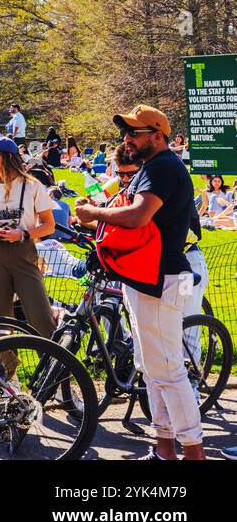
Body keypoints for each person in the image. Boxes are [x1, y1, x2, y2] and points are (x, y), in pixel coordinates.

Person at [74, 106, 204, 461]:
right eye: (126, 133)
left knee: (169, 369)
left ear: (157, 135)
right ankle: (165, 450)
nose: (126, 140)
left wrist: (95, 214)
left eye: (134, 133)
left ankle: (193, 452)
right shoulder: (155, 167)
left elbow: (138, 216)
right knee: (151, 366)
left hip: (160, 279)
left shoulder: (162, 168)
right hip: (147, 278)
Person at [0, 136, 56, 342]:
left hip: (24, 253)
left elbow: (49, 224)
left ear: (7, 157)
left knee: (40, 315)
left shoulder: (32, 186)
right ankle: (5, 371)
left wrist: (23, 234)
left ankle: (56, 370)